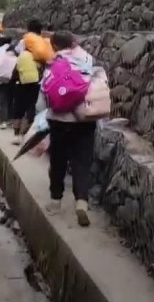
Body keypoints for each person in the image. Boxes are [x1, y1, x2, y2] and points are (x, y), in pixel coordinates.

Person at [42, 31, 96, 227]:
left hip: (59, 119)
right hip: (85, 118)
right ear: (73, 43)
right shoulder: (87, 59)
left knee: (58, 161)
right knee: (82, 161)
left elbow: (46, 92)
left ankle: (55, 201)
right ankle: (81, 202)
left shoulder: (53, 63)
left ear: (55, 46)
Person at [11, 38, 41, 144]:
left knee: (18, 110)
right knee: (30, 108)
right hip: (35, 86)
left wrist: (13, 82)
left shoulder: (22, 56)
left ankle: (16, 135)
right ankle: (23, 135)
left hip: (21, 86)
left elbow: (15, 72)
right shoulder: (38, 57)